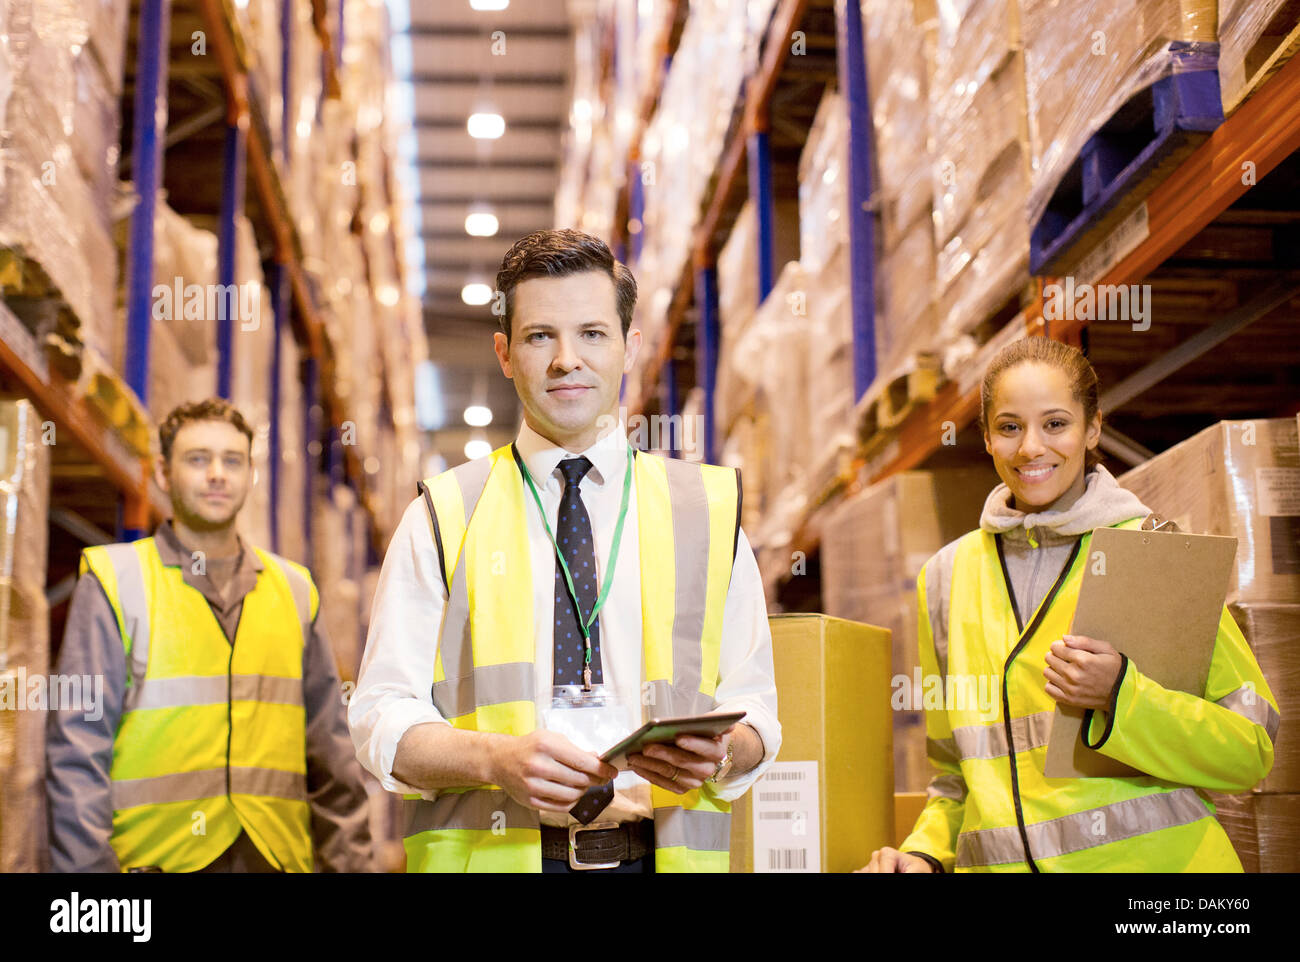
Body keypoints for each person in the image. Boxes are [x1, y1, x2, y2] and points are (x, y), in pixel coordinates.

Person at [349, 228, 780, 873]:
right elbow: (379, 718)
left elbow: (761, 716)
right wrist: (493, 759)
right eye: (539, 336)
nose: (565, 360)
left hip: (661, 858)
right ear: (504, 352)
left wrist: (722, 754)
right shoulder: (441, 515)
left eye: (593, 334)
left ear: (630, 348)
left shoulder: (706, 512)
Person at [862, 337, 1278, 873]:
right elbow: (955, 778)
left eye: (1055, 423)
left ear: (1093, 429)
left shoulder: (1150, 551)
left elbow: (1249, 749)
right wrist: (924, 854)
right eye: (1010, 427)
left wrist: (1122, 696)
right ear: (987, 437)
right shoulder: (945, 577)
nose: (1032, 447)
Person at [46, 399, 374, 872]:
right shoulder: (115, 580)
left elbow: (334, 760)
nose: (217, 474)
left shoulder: (295, 590)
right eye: (198, 459)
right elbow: (78, 750)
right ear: (162, 472)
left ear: (250, 476)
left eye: (233, 461)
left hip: (274, 860)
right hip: (154, 866)